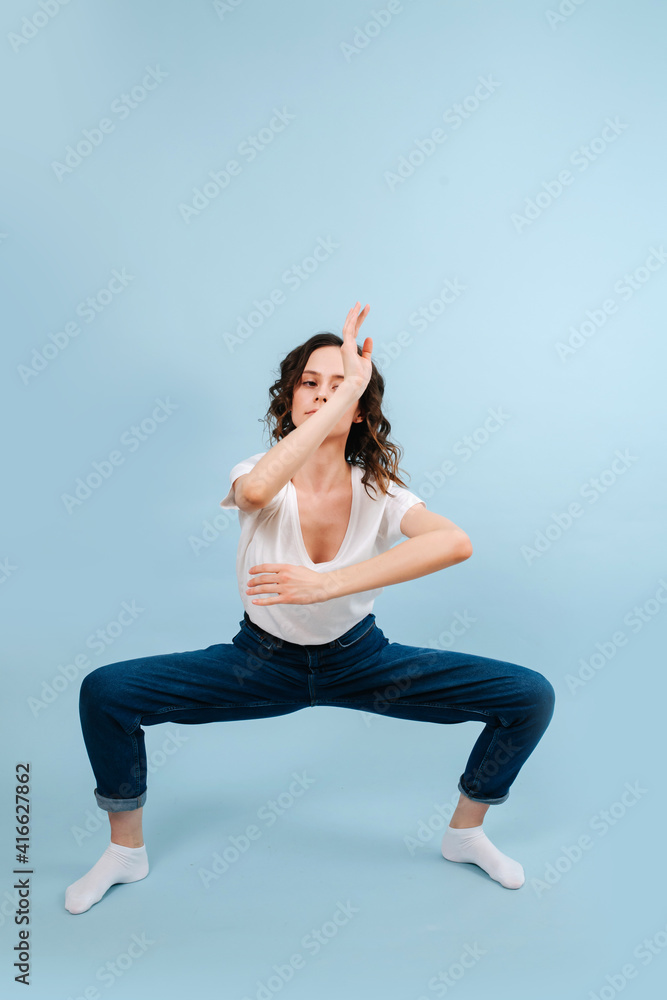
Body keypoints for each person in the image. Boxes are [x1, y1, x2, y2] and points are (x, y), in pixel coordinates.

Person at [65, 302, 555, 913]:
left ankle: (466, 834)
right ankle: (125, 851)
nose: (322, 397)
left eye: (340, 387)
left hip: (362, 662)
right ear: (291, 400)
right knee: (106, 693)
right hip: (259, 664)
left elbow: (454, 542)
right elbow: (258, 490)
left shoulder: (382, 491)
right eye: (310, 384)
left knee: (529, 696)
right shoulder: (256, 470)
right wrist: (338, 399)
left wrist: (329, 584)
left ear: (358, 410)